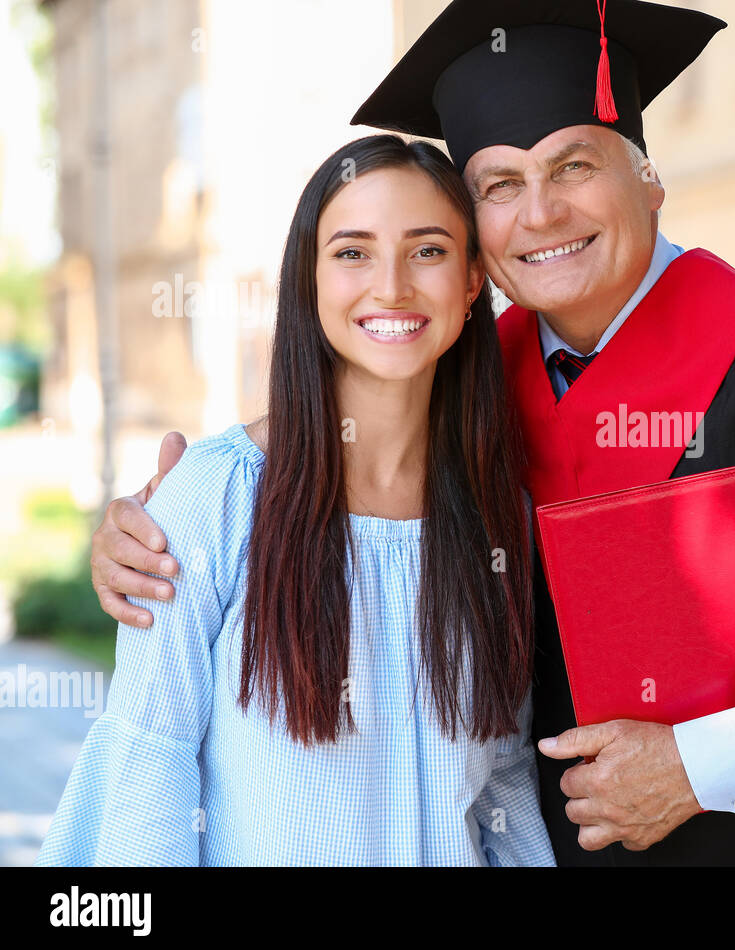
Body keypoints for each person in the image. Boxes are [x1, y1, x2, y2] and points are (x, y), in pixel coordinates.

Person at [90, 0, 735, 866]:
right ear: (479, 232)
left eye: (574, 165)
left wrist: (695, 767)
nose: (541, 214)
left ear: (648, 180)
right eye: (500, 184)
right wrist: (156, 531)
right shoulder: (474, 395)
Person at [42, 135, 554, 866]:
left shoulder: (496, 521)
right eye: (352, 252)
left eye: (429, 250)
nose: (391, 286)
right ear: (308, 280)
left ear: (474, 281)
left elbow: (500, 785)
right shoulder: (215, 497)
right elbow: (148, 769)